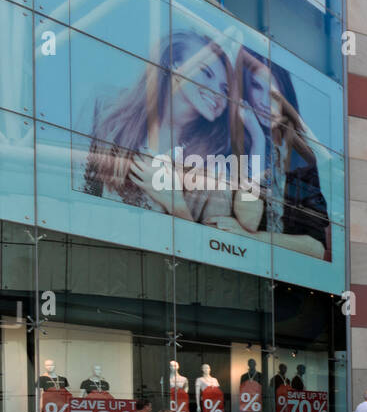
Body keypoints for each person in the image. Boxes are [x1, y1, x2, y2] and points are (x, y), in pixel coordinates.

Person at [82, 30, 261, 230]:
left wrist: (175, 203)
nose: (217, 93)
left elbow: (208, 249)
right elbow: (76, 191)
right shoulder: (105, 107)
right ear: (175, 65)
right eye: (206, 73)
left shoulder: (213, 170)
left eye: (225, 89)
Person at [221, 48, 332, 260]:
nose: (264, 101)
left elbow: (316, 247)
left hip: (284, 276)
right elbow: (249, 219)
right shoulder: (231, 141)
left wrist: (253, 238)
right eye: (255, 87)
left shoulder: (302, 159)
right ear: (246, 92)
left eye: (272, 94)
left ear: (284, 99)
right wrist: (258, 143)